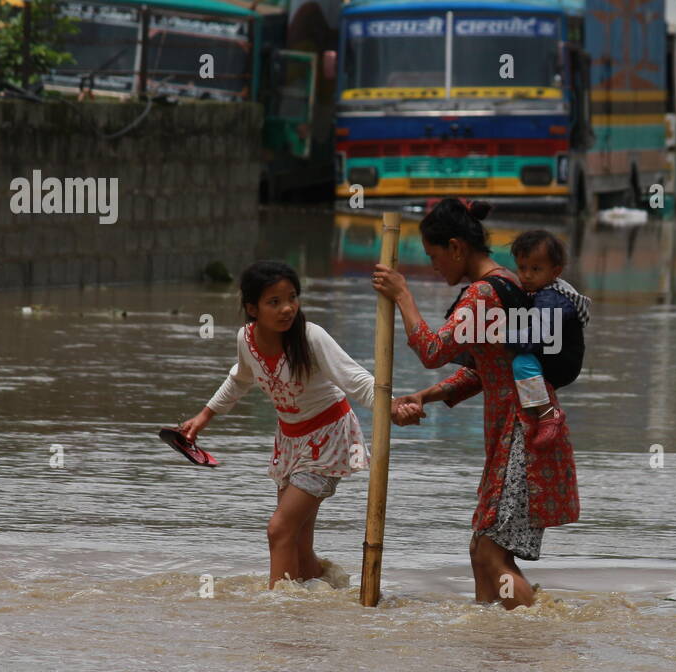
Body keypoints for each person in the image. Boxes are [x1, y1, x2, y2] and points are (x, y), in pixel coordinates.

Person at [372, 199, 580, 609]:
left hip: (524, 433)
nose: (434, 267)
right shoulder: (506, 281)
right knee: (479, 549)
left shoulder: (484, 293)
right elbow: (487, 369)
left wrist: (402, 296)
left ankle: (538, 632)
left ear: (456, 248)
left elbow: (433, 350)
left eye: (434, 257)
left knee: (490, 552)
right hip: (512, 434)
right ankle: (493, 644)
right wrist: (426, 395)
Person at [178, 261, 375, 588]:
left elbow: (357, 382)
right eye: (275, 302)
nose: (287, 308)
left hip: (328, 439)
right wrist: (203, 417)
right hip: (290, 440)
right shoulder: (247, 339)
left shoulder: (312, 337)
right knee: (296, 541)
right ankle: (324, 596)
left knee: (279, 529)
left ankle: (279, 610)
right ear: (252, 308)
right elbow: (239, 380)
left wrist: (394, 405)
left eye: (292, 298)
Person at [507, 229, 591, 452]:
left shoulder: (551, 298)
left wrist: (502, 337)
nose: (526, 275)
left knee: (521, 362)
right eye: (522, 268)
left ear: (555, 272)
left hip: (561, 360)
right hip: (557, 354)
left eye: (536, 269)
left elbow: (535, 337)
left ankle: (549, 415)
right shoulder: (543, 291)